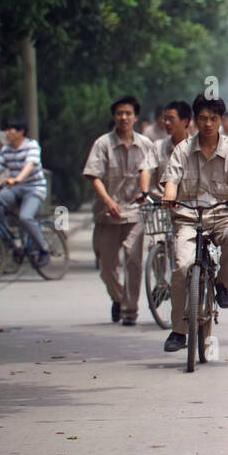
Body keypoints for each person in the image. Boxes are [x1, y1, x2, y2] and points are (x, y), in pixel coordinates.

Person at [159, 94, 228, 352]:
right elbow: (171, 180)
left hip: (223, 214)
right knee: (182, 267)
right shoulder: (183, 150)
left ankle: (223, 282)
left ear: (221, 120)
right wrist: (168, 197)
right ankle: (178, 331)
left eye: (213, 118)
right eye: (202, 118)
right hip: (189, 217)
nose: (208, 123)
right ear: (194, 121)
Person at [82, 96, 157, 324]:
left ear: (135, 117)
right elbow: (94, 177)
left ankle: (129, 311)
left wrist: (146, 193)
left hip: (135, 213)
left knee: (133, 260)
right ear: (114, 117)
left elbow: (151, 171)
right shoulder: (102, 144)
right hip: (107, 214)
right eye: (119, 113)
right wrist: (108, 201)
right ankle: (118, 297)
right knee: (107, 267)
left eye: (128, 113)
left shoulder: (146, 145)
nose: (123, 117)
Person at [0, 119, 51, 267]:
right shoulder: (6, 150)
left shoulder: (32, 146)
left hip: (34, 188)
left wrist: (17, 179)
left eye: (10, 130)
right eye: (6, 130)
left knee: (25, 217)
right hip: (15, 189)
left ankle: (44, 249)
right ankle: (9, 241)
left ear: (20, 132)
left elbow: (29, 166)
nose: (6, 133)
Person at [152, 101, 193, 195]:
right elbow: (146, 169)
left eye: (171, 119)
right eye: (165, 119)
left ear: (185, 121)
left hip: (189, 204)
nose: (166, 123)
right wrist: (144, 190)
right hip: (163, 203)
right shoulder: (158, 147)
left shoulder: (197, 148)